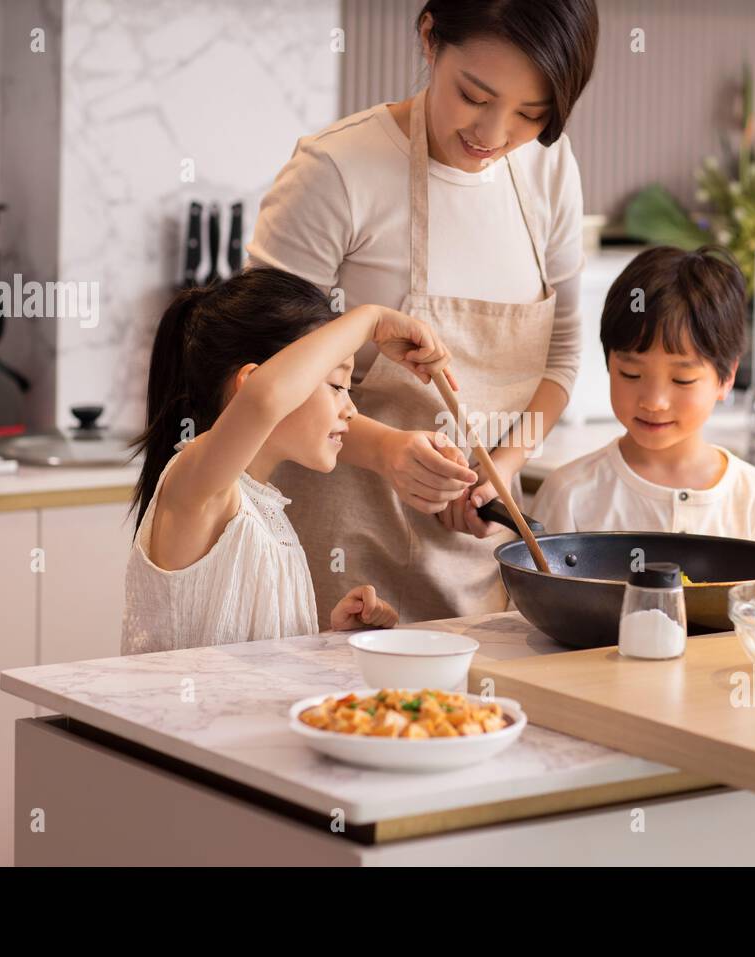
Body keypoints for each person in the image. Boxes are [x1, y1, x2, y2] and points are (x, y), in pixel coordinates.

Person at [248, 0, 600, 625]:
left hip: (477, 568)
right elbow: (256, 376)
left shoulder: (550, 168)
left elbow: (563, 359)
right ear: (430, 38)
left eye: (529, 113)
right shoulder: (336, 171)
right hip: (331, 558)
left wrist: (501, 468)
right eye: (474, 94)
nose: (492, 135)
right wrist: (387, 451)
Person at [121, 267, 455, 655]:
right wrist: (372, 319)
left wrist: (327, 638)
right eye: (336, 385)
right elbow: (266, 398)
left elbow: (254, 666)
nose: (350, 409)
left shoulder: (265, 511)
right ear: (251, 381)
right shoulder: (199, 484)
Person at [532, 245, 755, 552]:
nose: (654, 401)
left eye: (682, 379)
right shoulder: (570, 495)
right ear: (609, 363)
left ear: (727, 377)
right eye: (631, 375)